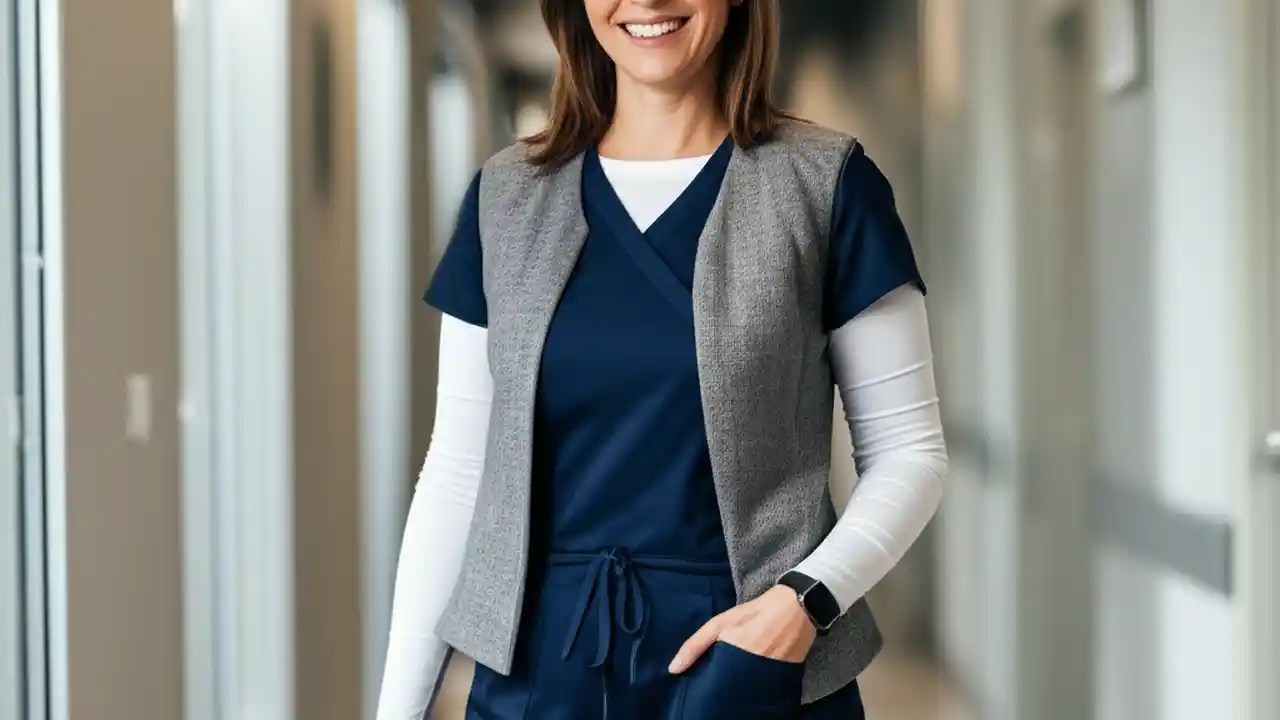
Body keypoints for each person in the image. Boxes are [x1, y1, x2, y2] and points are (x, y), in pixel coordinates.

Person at [376, 1, 948, 718]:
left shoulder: (825, 185)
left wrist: (804, 602)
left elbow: (909, 451)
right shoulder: (506, 199)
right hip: (542, 677)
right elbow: (459, 473)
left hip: (750, 672)